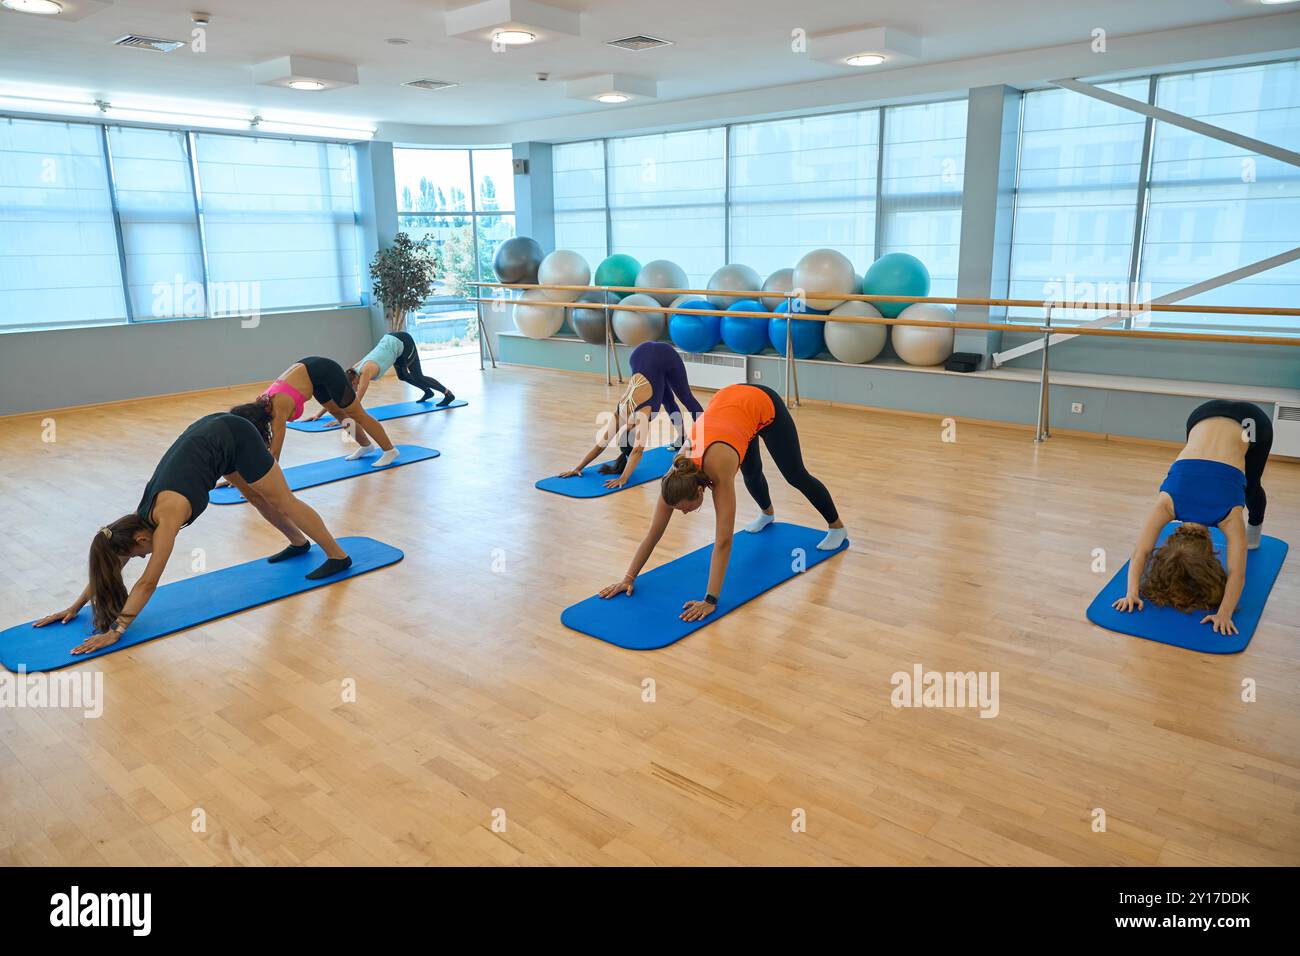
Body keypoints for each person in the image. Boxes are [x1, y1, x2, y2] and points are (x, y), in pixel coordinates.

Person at [32, 412, 353, 656]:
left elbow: (149, 580)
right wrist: (75, 606)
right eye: (137, 556)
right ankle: (299, 543)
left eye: (139, 554)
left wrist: (117, 630)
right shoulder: (133, 527)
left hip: (233, 436)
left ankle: (338, 556)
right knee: (255, 496)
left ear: (141, 540)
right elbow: (112, 563)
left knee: (283, 500)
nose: (142, 557)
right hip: (214, 443)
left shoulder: (166, 514)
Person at [598, 383, 847, 621]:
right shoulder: (673, 480)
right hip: (730, 412)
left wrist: (710, 599)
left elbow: (724, 541)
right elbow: (653, 533)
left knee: (795, 475)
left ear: (699, 490)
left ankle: (836, 526)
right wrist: (628, 578)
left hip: (760, 403)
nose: (682, 513)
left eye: (684, 507)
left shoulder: (719, 467)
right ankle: (767, 513)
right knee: (751, 472)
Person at [1112, 399, 1273, 636]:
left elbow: (1238, 572)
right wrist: (1131, 591)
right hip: (1202, 413)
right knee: (1243, 481)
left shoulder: (1229, 515)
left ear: (1211, 549)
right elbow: (1141, 552)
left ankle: (1255, 528)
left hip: (1253, 422)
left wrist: (1225, 613)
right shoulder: (1167, 504)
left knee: (1251, 487)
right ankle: (1255, 528)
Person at [558, 341, 704, 489]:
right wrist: (577, 467)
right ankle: (682, 438)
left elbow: (637, 451)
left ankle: (706, 436)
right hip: (638, 355)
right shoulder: (620, 413)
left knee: (686, 397)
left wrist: (623, 478)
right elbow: (601, 446)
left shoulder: (640, 414)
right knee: (667, 400)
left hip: (663, 354)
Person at [233, 357, 400, 467]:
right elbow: (259, 445)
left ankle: (390, 450)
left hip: (325, 370)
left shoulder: (277, 409)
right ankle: (366, 446)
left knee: (357, 414)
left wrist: (258, 481)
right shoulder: (262, 405)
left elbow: (275, 451)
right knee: (339, 414)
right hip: (311, 376)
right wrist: (242, 475)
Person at [344, 331, 456, 407]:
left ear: (354, 379)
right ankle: (428, 392)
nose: (355, 388)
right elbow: (342, 390)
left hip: (404, 342)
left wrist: (346, 416)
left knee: (418, 377)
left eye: (354, 385)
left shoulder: (365, 372)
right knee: (402, 375)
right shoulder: (354, 369)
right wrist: (328, 410)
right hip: (393, 345)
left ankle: (448, 394)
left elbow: (358, 399)